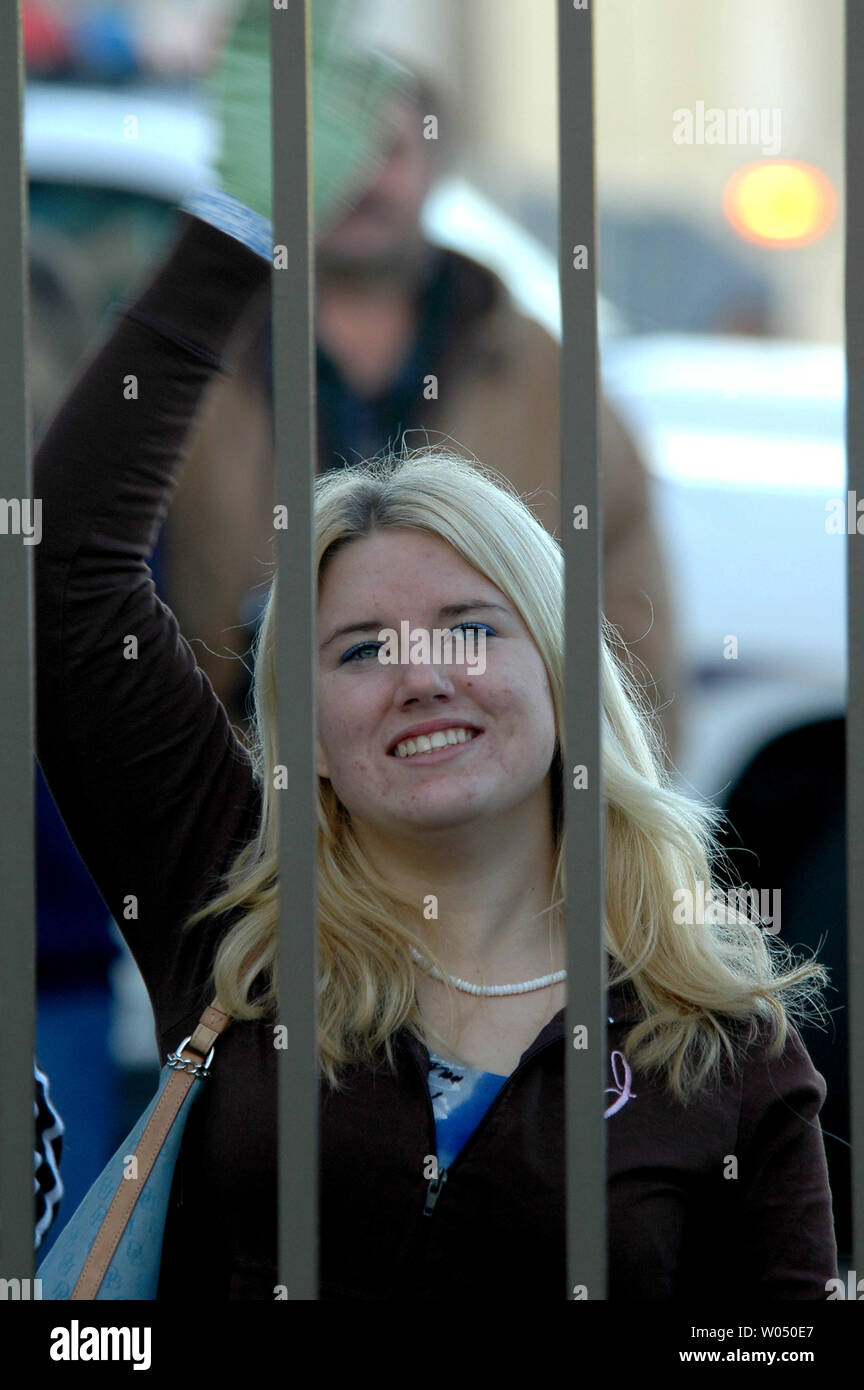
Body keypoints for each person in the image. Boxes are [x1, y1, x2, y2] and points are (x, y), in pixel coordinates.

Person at [33, 3, 836, 1301]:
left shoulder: (718, 1034)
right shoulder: (241, 911)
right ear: (307, 729)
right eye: (357, 649)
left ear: (566, 681)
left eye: (472, 626)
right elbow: (66, 570)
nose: (422, 668)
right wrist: (240, 229)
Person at [167, 70, 681, 763]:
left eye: (390, 150)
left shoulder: (543, 372)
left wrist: (578, 806)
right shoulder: (202, 359)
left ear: (438, 167)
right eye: (333, 147)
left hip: (486, 801)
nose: (361, 176)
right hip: (248, 805)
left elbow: (632, 616)